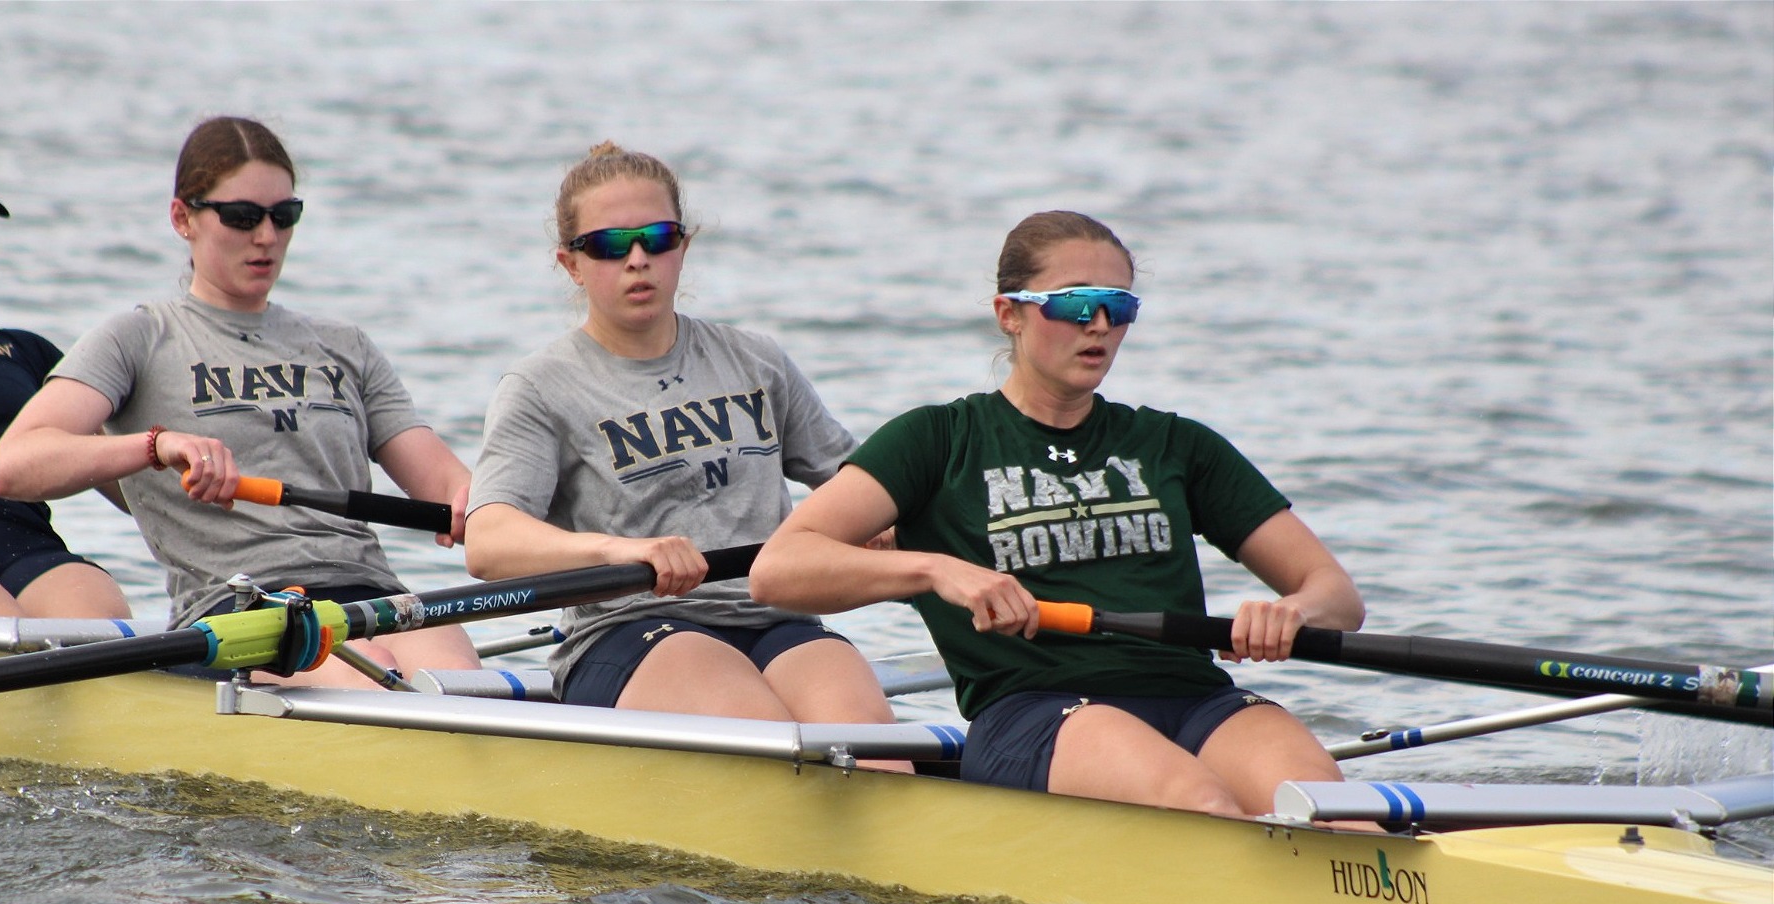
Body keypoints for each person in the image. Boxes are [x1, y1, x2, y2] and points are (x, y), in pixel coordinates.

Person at [750, 210, 1367, 815]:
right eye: (1075, 303)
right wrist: (936, 571)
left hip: (1197, 698)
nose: (1098, 325)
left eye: (1118, 307)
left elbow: (1337, 596)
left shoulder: (1178, 445)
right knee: (1201, 803)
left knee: (1340, 813)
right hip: (1037, 712)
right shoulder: (937, 441)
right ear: (1008, 314)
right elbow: (779, 568)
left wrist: (1291, 612)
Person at [463, 141, 911, 773]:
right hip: (632, 629)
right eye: (611, 245)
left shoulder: (756, 360)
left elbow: (858, 482)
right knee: (772, 748)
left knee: (877, 757)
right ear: (571, 264)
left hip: (773, 615)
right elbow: (488, 541)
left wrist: (889, 527)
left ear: (684, 246)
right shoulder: (541, 387)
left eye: (658, 238)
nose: (638, 259)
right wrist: (621, 550)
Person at [0, 118, 478, 688]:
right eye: (242, 217)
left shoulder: (345, 345)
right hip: (243, 608)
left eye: (283, 216)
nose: (266, 236)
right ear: (183, 218)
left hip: (377, 595)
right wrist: (156, 445)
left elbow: (446, 484)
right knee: (387, 695)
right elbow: (12, 466)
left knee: (464, 690)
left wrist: (485, 506)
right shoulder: (138, 338)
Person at [0, 165, 133, 620]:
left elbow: (131, 492)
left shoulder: (27, 352)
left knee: (99, 621)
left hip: (23, 543)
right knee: (7, 631)